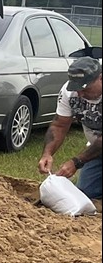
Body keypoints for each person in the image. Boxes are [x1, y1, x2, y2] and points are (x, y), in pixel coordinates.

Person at [38, 57, 102, 199]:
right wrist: (47, 153)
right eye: (77, 88)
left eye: (85, 88)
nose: (80, 94)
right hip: (97, 152)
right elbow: (59, 125)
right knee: (87, 193)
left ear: (100, 78)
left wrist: (76, 162)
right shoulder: (69, 92)